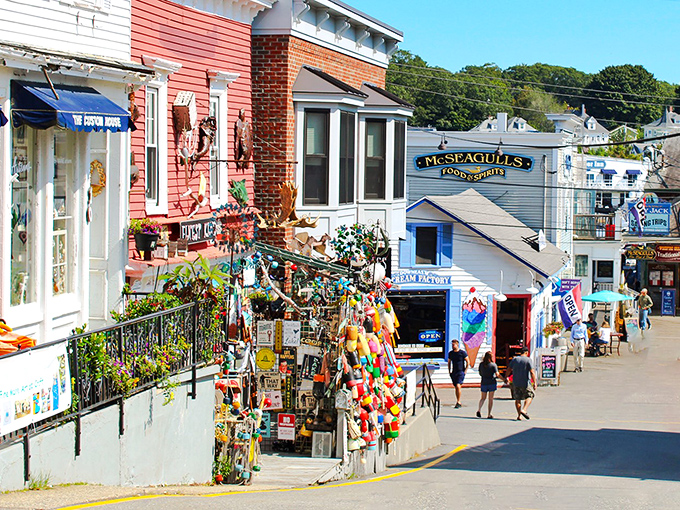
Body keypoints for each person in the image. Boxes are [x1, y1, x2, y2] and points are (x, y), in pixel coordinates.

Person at [505, 347, 537, 420]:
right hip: (525, 382)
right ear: (526, 352)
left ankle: (519, 415)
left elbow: (509, 369)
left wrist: (506, 377)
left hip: (516, 382)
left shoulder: (515, 359)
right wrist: (534, 382)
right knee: (530, 395)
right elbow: (532, 372)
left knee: (517, 399)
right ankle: (524, 409)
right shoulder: (528, 360)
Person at [476, 352, 505, 419]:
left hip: (484, 382)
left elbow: (480, 373)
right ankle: (489, 414)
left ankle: (479, 409)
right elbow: (497, 374)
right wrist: (503, 379)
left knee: (483, 398)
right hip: (491, 382)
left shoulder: (481, 364)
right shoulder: (493, 365)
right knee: (490, 399)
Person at [447, 339, 470, 409]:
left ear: (457, 345)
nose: (453, 346)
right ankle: (457, 399)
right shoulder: (451, 353)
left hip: (460, 371)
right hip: (454, 371)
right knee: (456, 387)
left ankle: (458, 401)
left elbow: (468, 361)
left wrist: (465, 370)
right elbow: (449, 362)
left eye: (454, 344)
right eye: (452, 345)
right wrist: (449, 371)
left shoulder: (462, 353)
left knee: (458, 385)